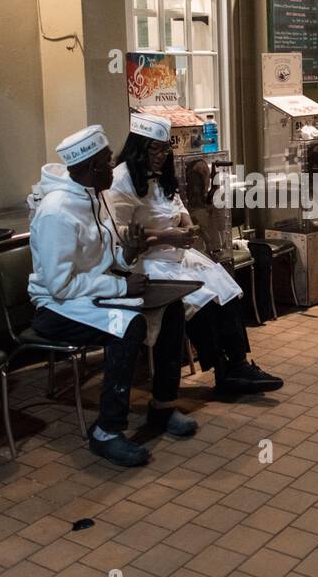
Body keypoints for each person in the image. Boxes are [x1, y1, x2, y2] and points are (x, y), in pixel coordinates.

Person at [28, 124, 198, 468]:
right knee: (129, 325)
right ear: (90, 168)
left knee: (171, 308)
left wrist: (129, 253)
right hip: (54, 307)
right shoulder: (56, 212)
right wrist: (120, 287)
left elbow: (106, 254)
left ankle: (162, 408)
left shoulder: (94, 197)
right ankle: (107, 430)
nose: (114, 167)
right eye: (107, 162)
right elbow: (59, 285)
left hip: (86, 295)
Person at [108, 113, 284, 396]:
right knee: (199, 301)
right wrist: (167, 236)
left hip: (177, 253)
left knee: (224, 290)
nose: (161, 155)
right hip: (147, 263)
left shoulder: (161, 175)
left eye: (166, 149)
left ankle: (238, 363)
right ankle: (222, 372)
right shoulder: (121, 181)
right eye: (155, 149)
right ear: (138, 147)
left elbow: (177, 204)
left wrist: (188, 227)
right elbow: (121, 239)